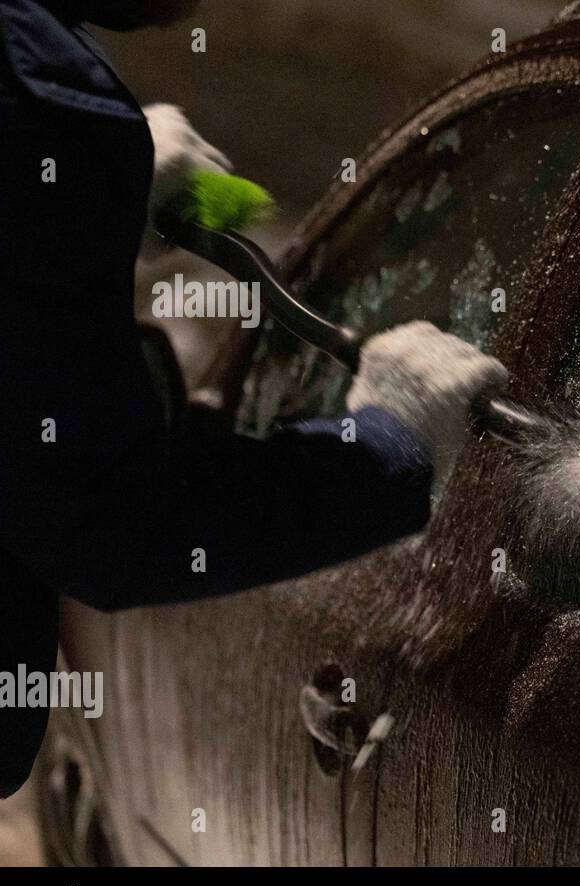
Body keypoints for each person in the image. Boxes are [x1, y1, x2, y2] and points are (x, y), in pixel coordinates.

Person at [0, 0, 507, 797]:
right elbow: (107, 521)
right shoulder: (45, 101)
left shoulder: (45, 102)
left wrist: (87, 198)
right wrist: (389, 445)